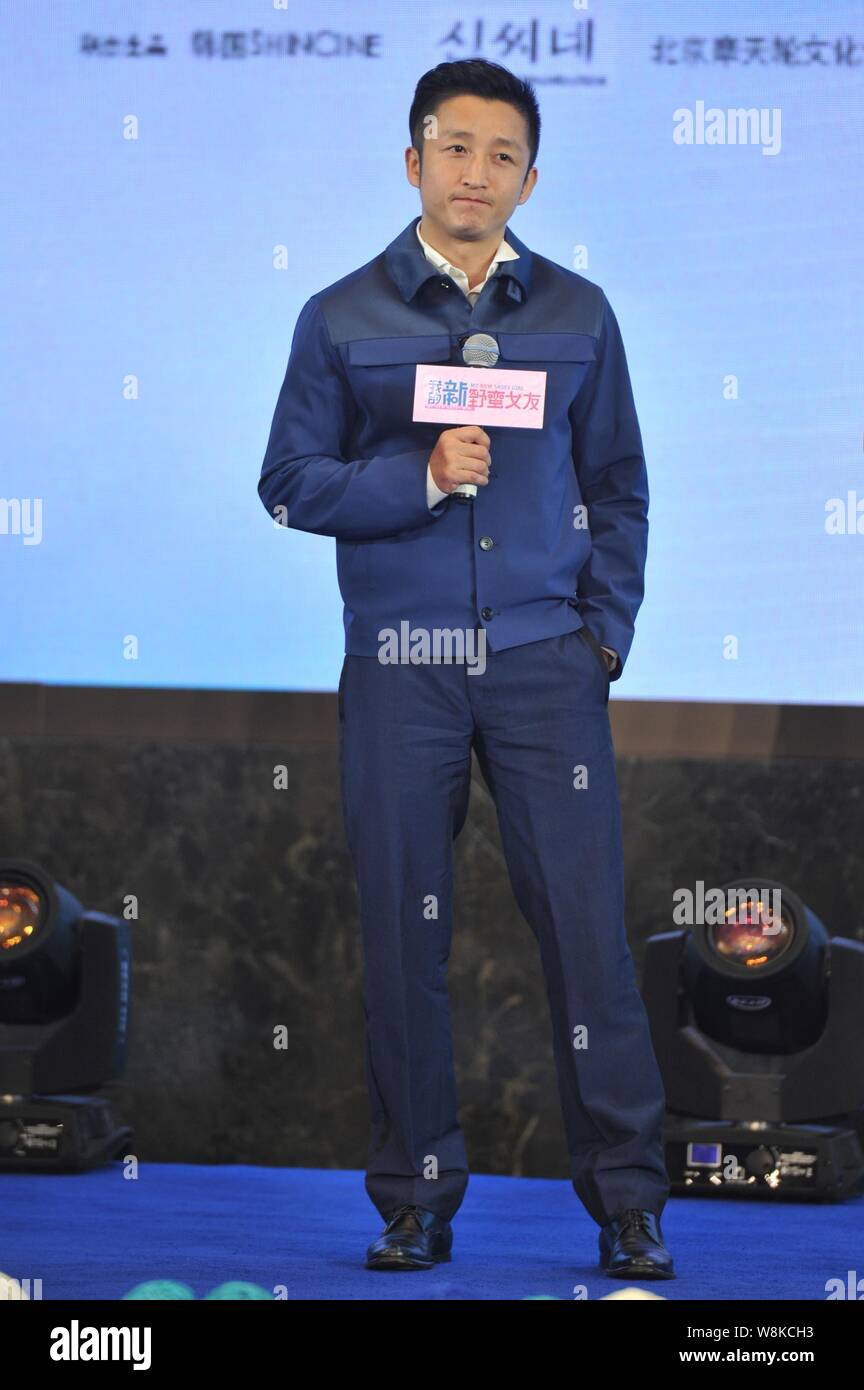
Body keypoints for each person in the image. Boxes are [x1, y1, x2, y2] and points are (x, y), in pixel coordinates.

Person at [258, 58, 674, 1281]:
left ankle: (632, 1204)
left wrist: (604, 636)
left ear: (529, 178)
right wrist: (421, 478)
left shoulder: (580, 315)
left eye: (502, 155)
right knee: (403, 936)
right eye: (454, 148)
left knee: (590, 937)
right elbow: (289, 484)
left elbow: (622, 488)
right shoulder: (340, 315)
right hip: (402, 666)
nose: (475, 172)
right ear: (413, 162)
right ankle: (415, 1202)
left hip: (548, 664)